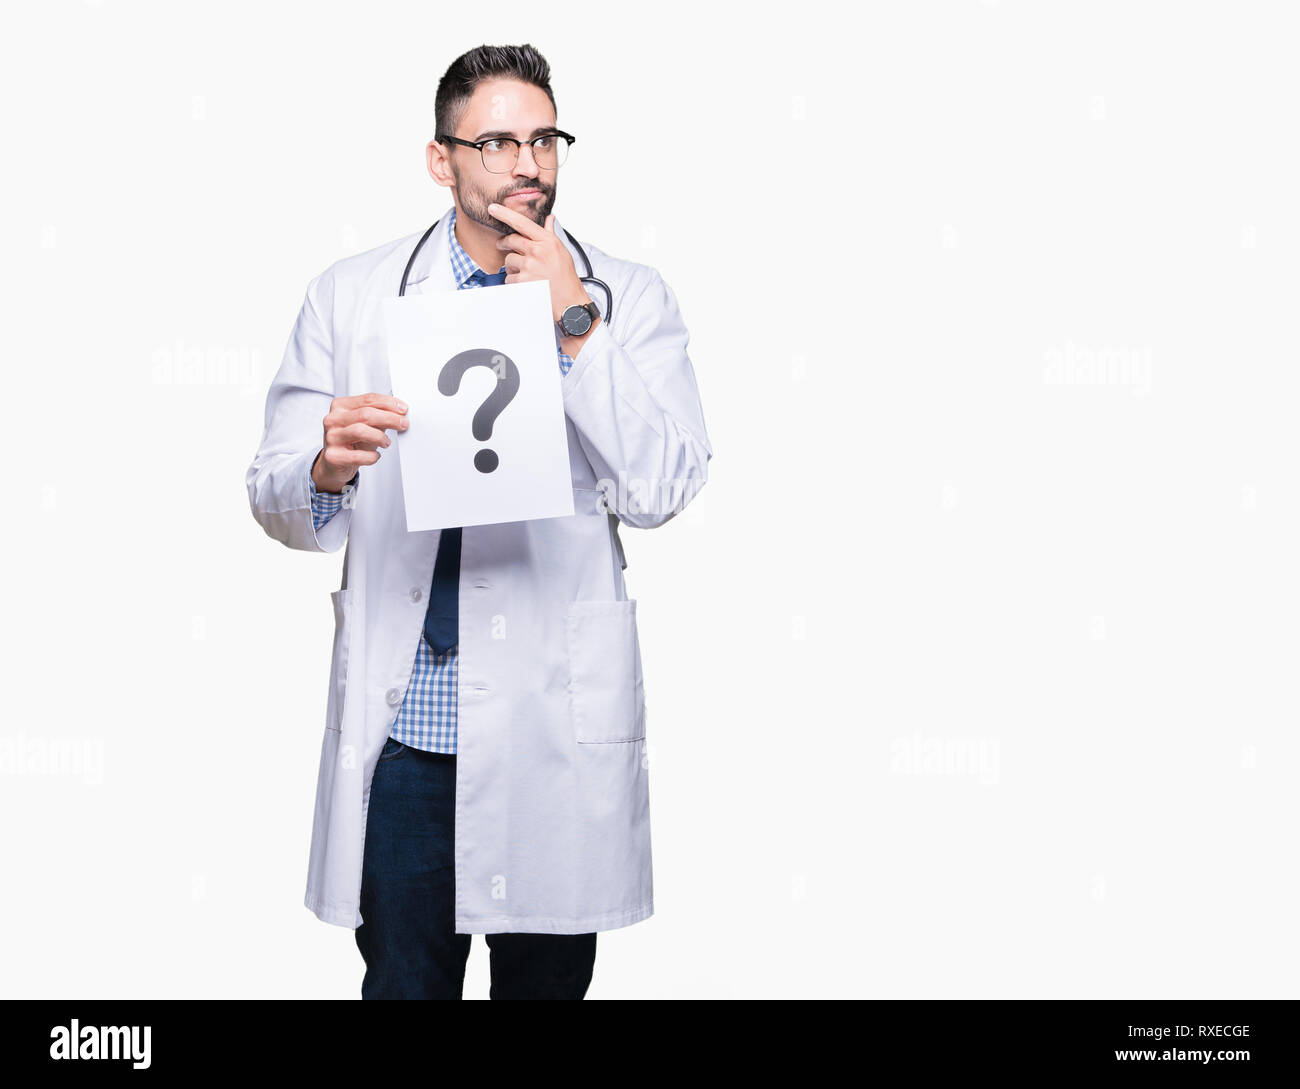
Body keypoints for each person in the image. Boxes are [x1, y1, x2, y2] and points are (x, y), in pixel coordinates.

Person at [245, 43, 712, 999]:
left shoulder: (625, 296)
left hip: (552, 721)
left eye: (544, 138)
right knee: (404, 987)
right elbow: (272, 492)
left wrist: (573, 320)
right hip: (410, 729)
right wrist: (329, 463)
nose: (528, 163)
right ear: (441, 158)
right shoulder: (353, 296)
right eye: (496, 141)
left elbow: (663, 485)